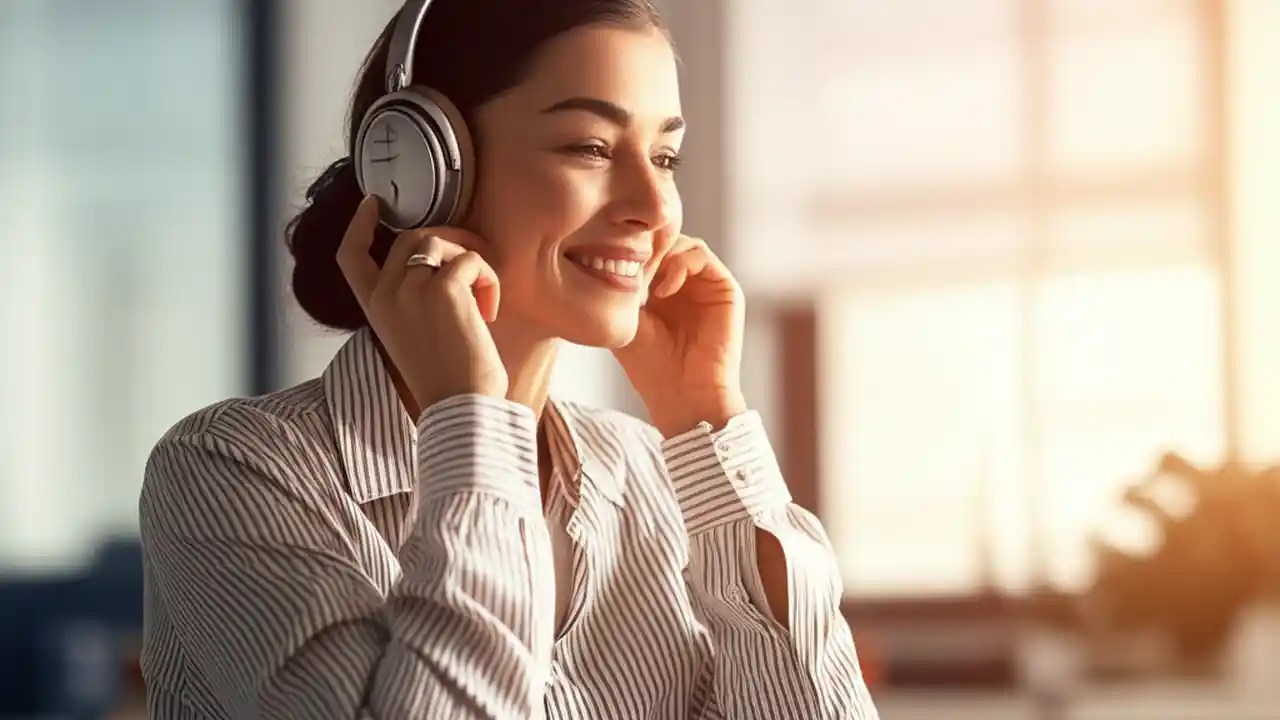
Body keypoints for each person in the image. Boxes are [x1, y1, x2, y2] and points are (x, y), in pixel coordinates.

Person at [138, 0, 879, 717]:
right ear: (424, 172)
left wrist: (707, 416)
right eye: (590, 147)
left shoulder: (650, 476)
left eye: (665, 156)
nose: (654, 209)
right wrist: (470, 424)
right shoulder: (230, 469)